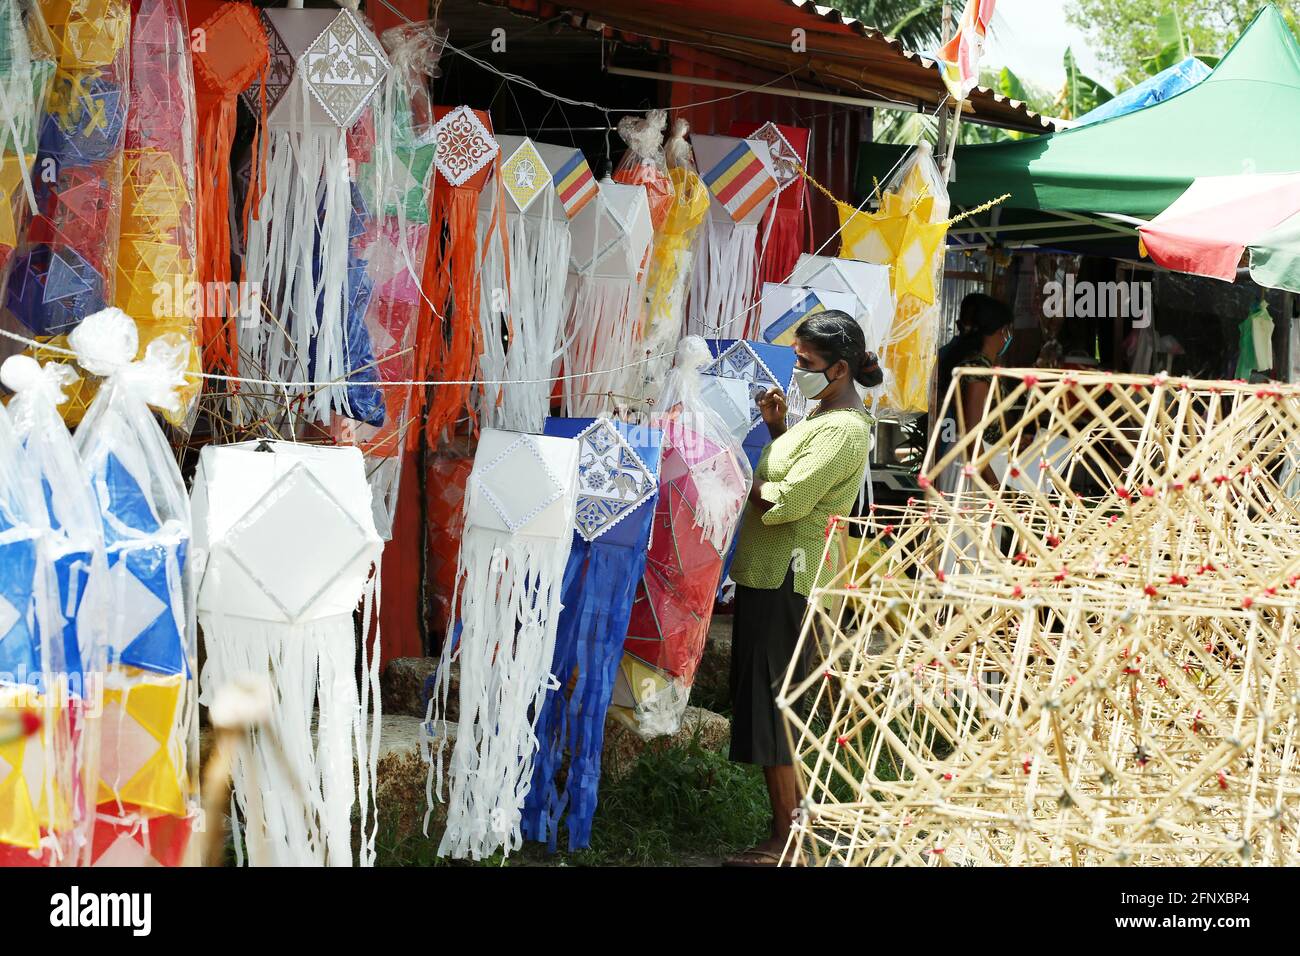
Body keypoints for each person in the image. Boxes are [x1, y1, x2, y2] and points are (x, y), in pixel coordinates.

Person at [723, 310, 882, 867]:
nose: (797, 369)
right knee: (770, 703)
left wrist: (729, 473)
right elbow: (797, 476)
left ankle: (786, 839)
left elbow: (789, 500)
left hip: (789, 578)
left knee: (774, 706)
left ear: (839, 369)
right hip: (774, 574)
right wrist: (776, 430)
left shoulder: (844, 430)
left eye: (805, 362)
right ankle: (795, 824)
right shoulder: (822, 415)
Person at [934, 293, 1014, 475]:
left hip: (981, 461)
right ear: (1002, 330)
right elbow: (972, 434)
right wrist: (992, 483)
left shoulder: (983, 368)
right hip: (973, 465)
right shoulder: (977, 372)